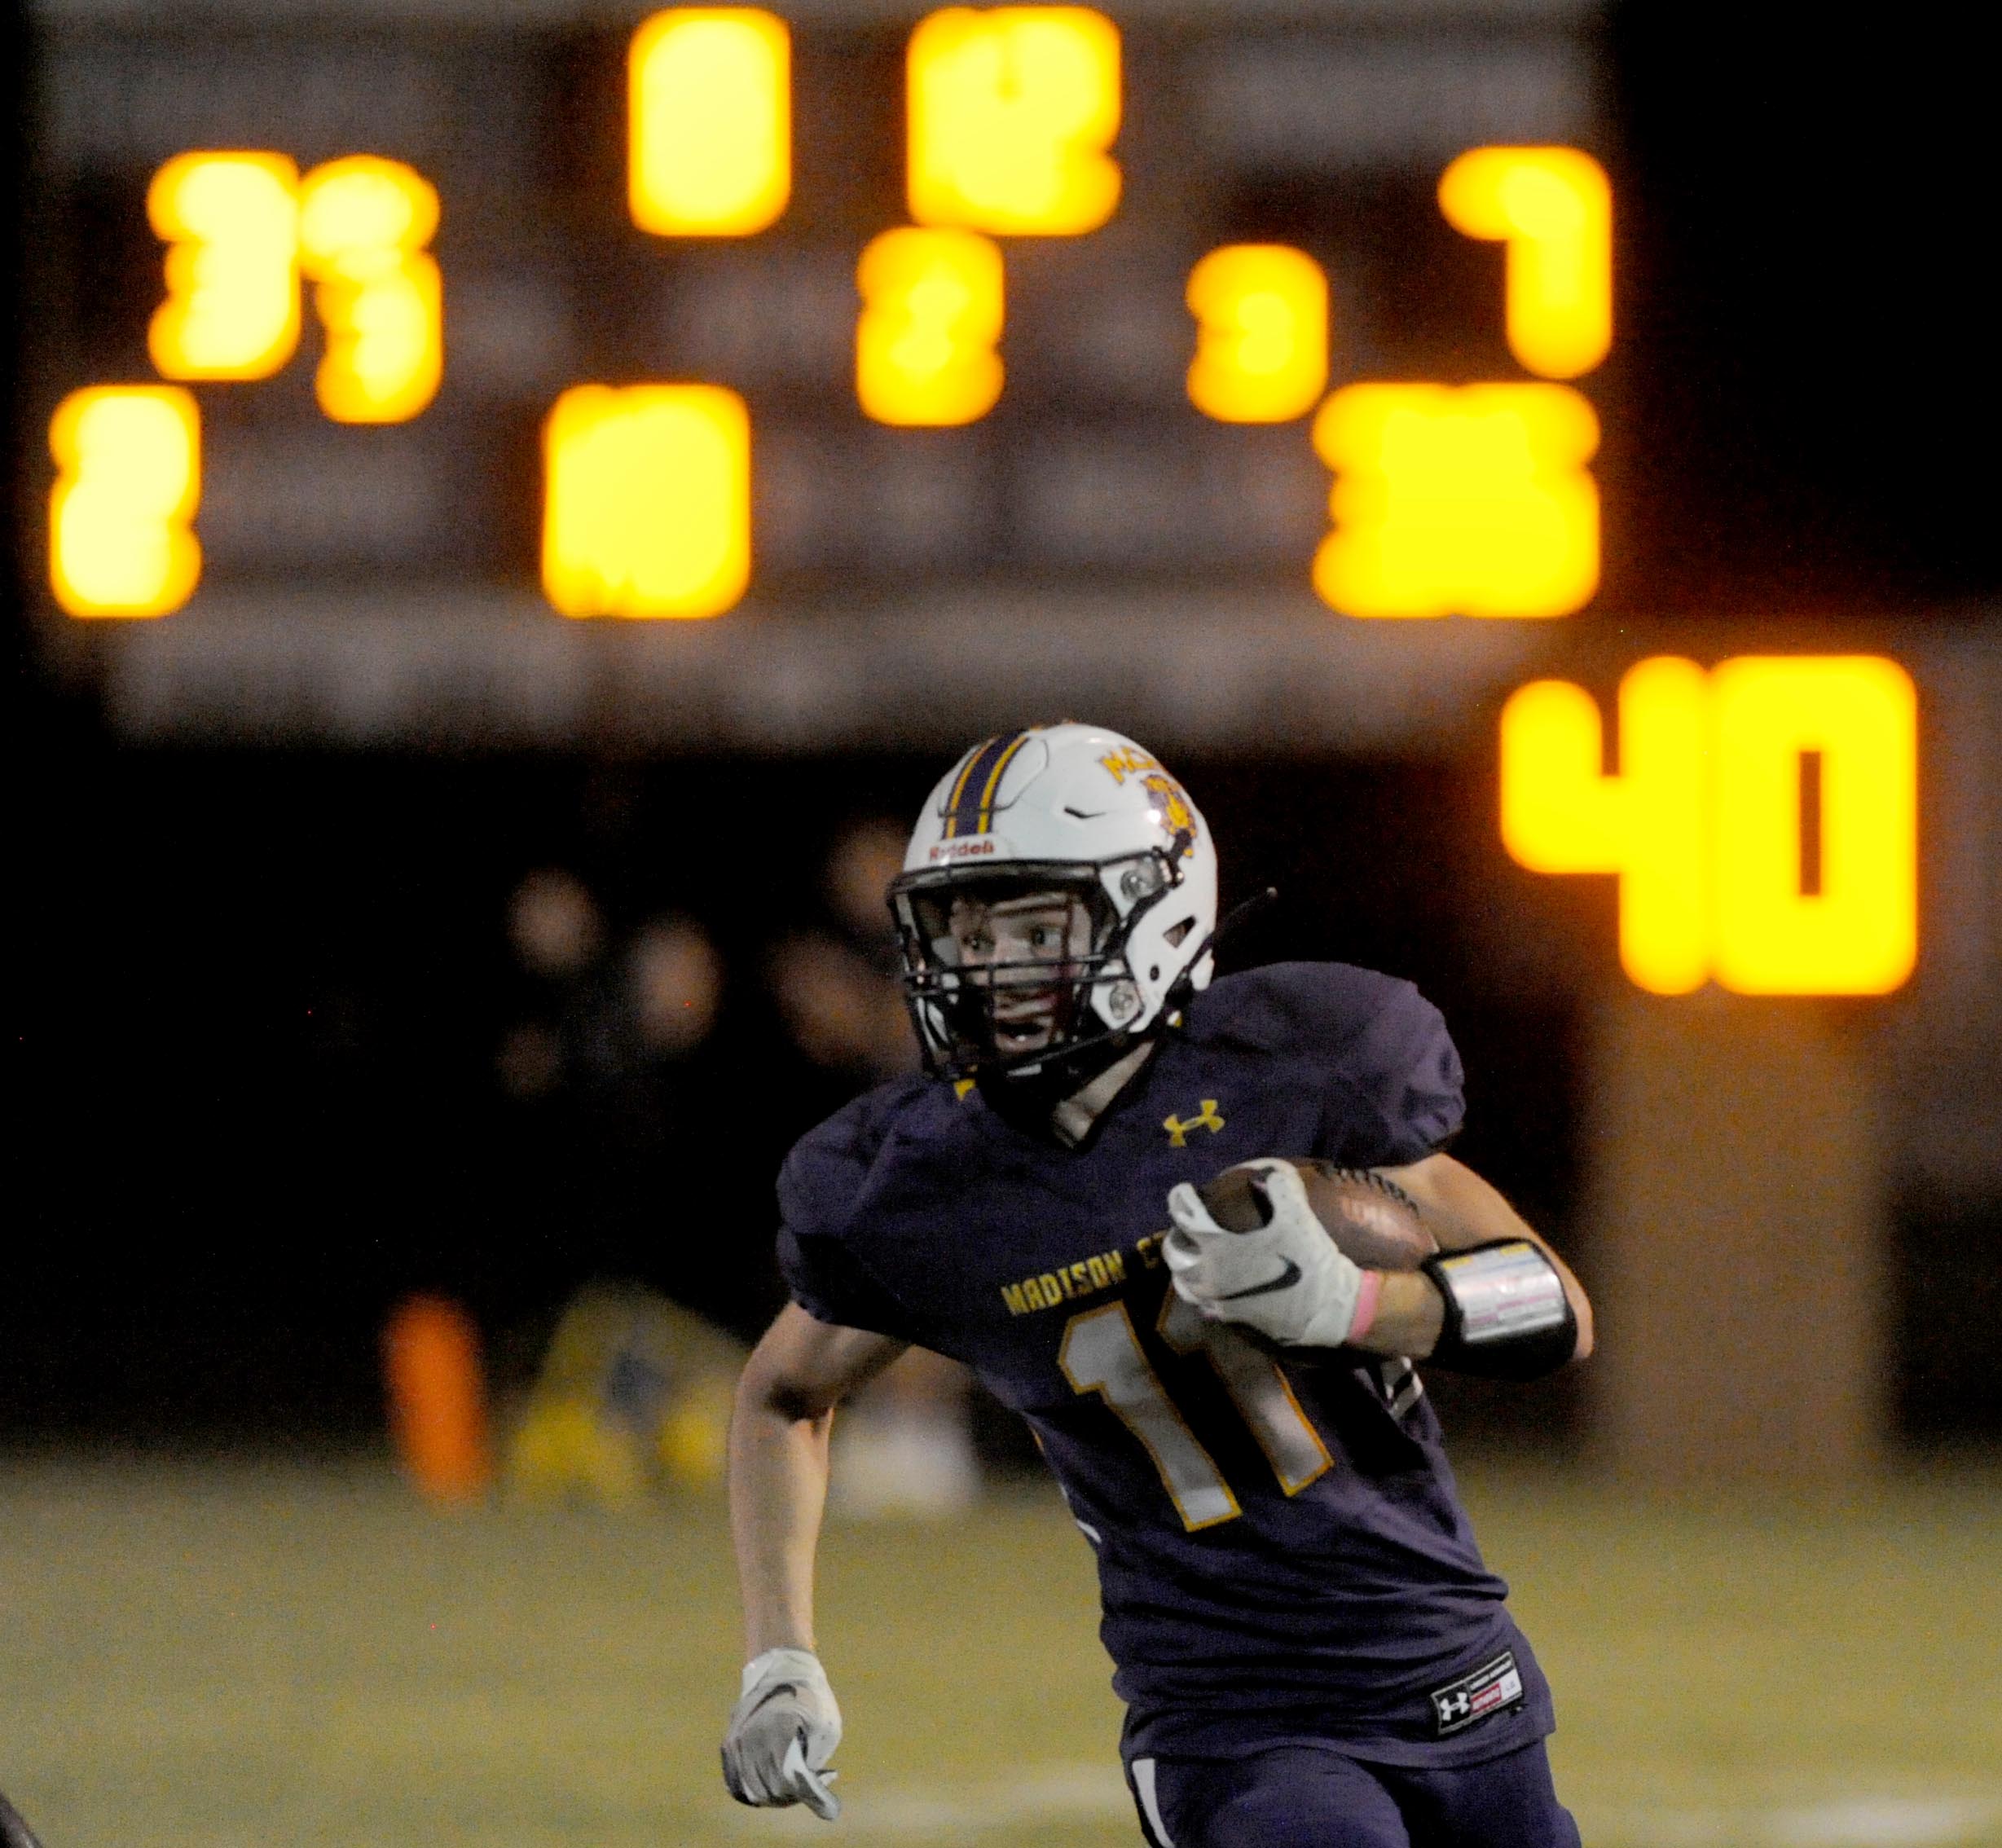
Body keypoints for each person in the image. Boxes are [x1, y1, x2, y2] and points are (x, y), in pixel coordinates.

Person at [722, 723, 1594, 1847]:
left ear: (1156, 912)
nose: (990, 969)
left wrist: (1357, 1307)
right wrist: (779, 1655)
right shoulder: (922, 1181)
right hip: (1233, 1722)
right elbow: (782, 1393)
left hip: (1456, 1667)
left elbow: (1555, 1304)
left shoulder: (1294, 1068)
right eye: (968, 931)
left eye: (1036, 929)